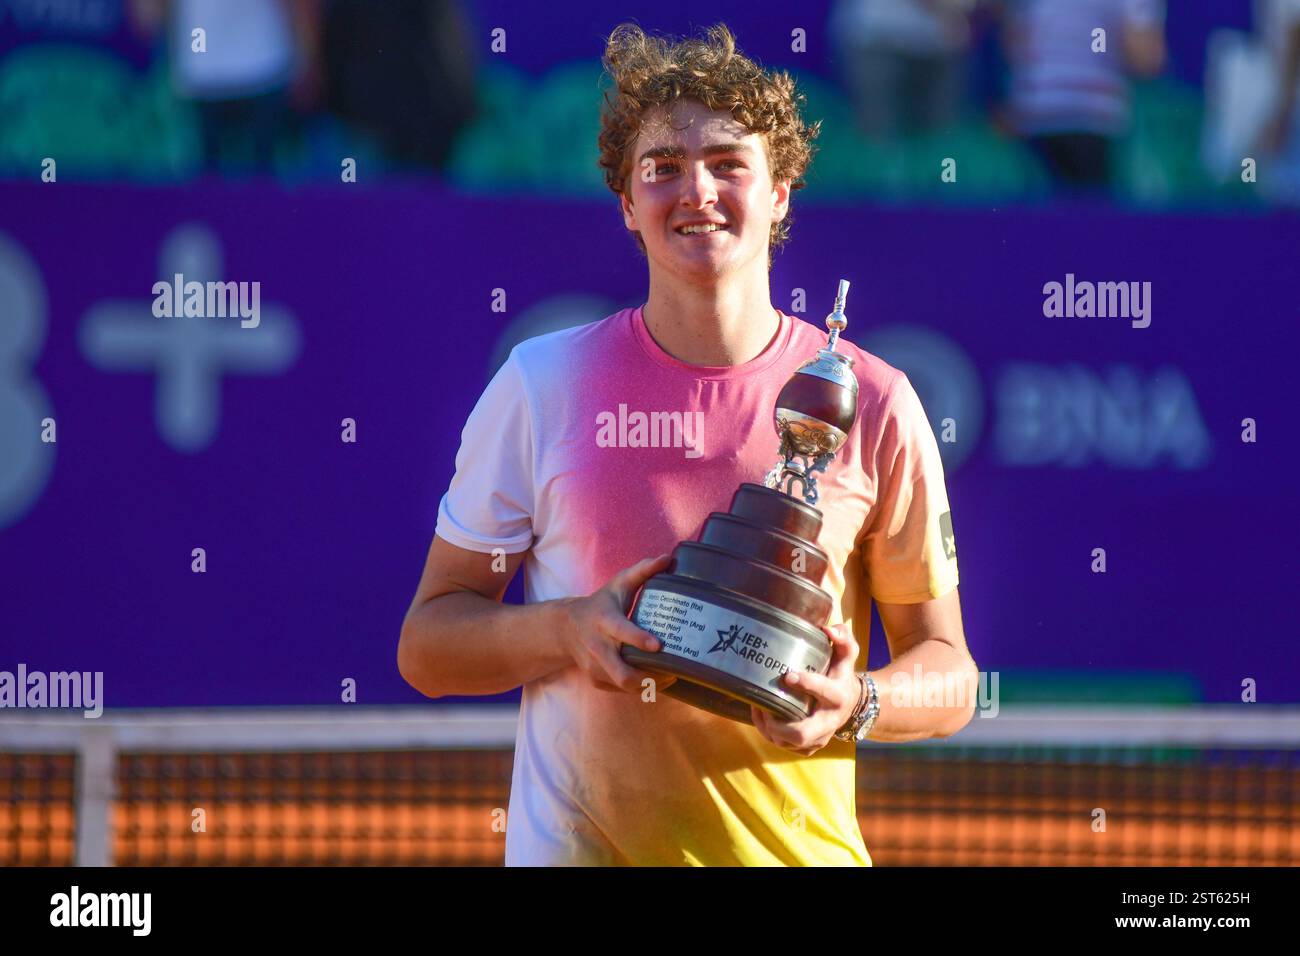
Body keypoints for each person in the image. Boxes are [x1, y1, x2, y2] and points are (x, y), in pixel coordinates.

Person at [398, 23, 976, 866]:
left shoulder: (880, 401)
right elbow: (429, 644)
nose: (696, 189)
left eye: (729, 164)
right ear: (628, 204)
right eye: (663, 167)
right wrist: (567, 632)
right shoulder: (540, 384)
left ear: (781, 192)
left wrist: (854, 702)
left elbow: (951, 671)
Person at [998, 0, 1166, 190]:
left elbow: (1013, 39)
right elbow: (1144, 60)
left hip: (1034, 113)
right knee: (1090, 214)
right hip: (1092, 116)